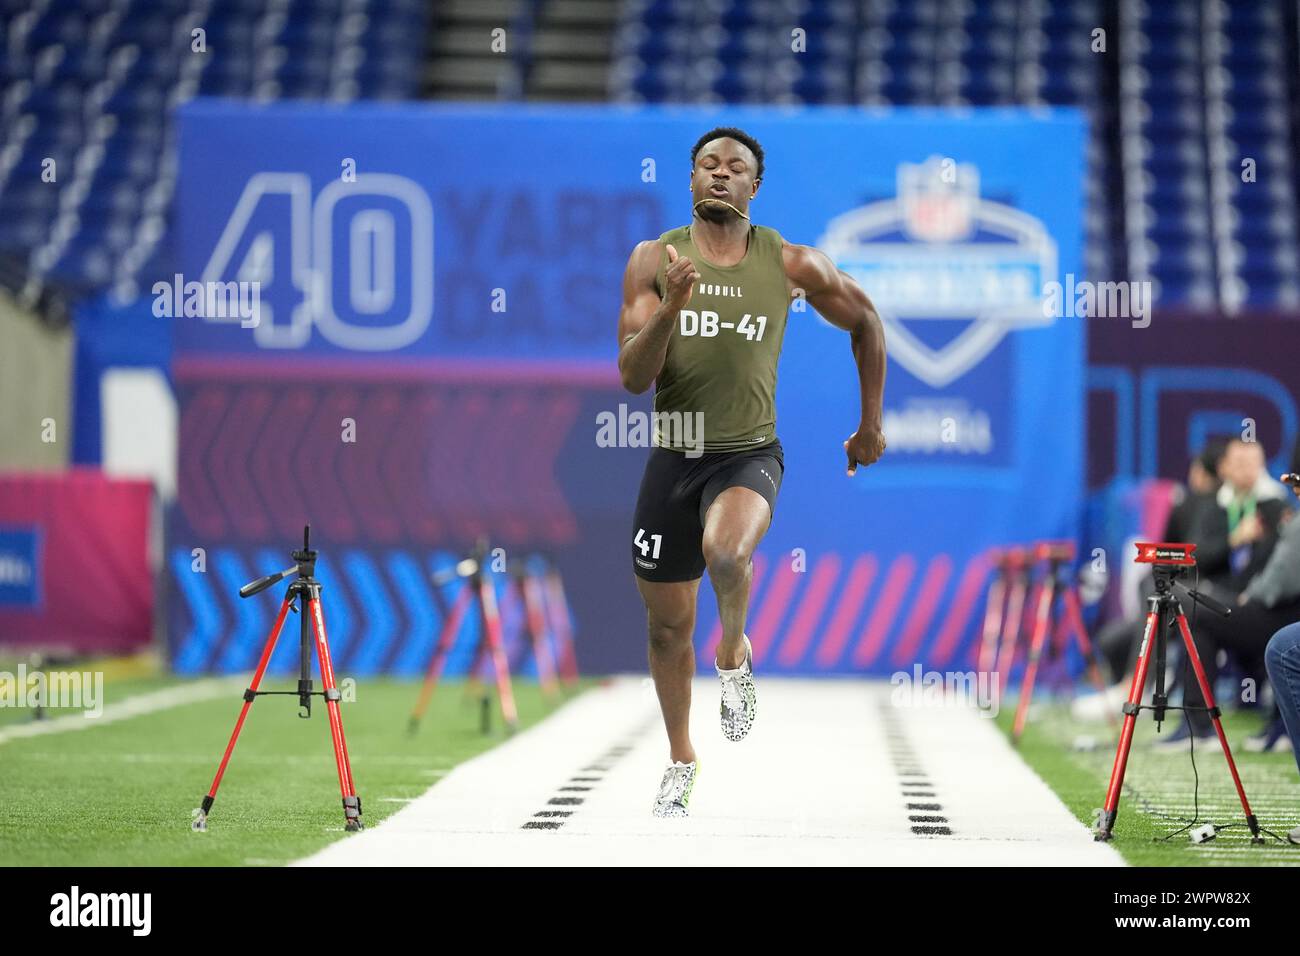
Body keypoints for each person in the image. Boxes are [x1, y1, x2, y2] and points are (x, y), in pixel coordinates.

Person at [617, 127, 887, 817]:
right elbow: (631, 376)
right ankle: (681, 757)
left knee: (727, 551)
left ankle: (733, 653)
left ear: (753, 187)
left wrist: (871, 424)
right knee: (665, 630)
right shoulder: (655, 258)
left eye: (735, 167)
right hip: (673, 456)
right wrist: (673, 306)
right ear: (690, 179)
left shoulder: (790, 263)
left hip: (747, 452)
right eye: (707, 164)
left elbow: (866, 322)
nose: (720, 174)